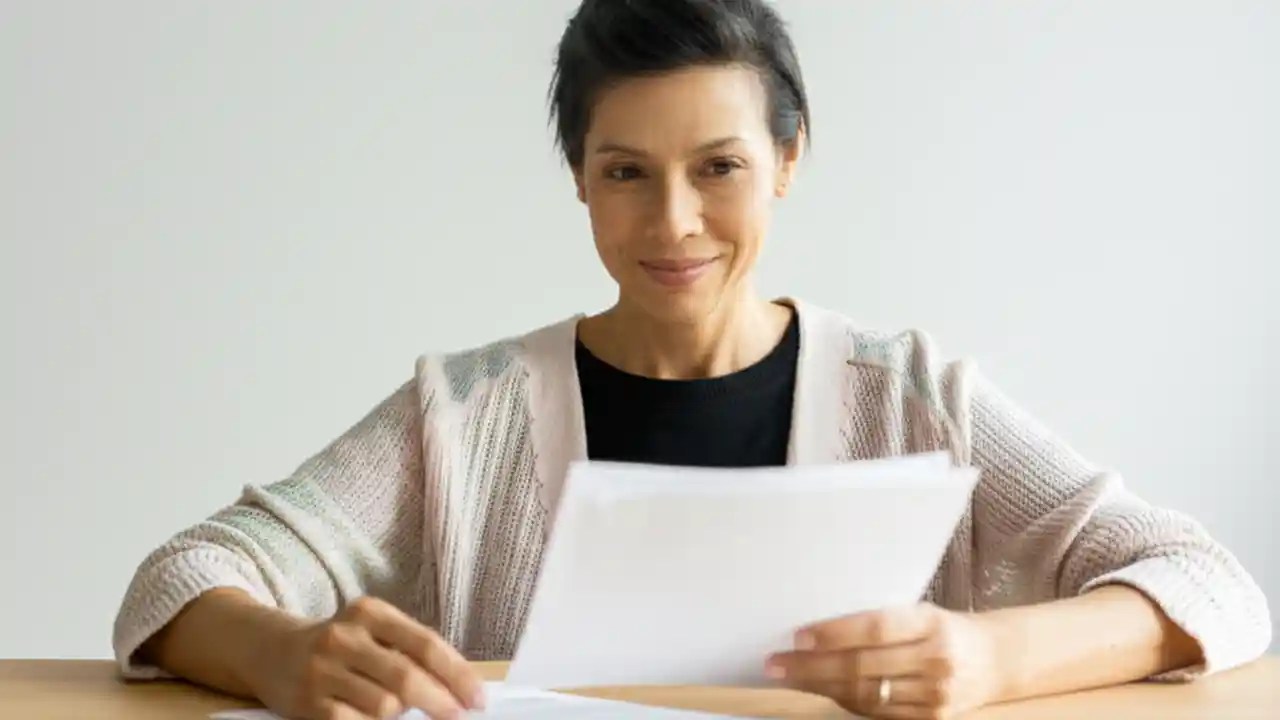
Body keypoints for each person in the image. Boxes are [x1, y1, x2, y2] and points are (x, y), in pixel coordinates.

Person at [112, 1, 1272, 719]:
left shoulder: (911, 397)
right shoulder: (463, 416)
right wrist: (282, 656)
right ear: (578, 177)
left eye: (716, 167)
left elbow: (1208, 583)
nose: (671, 223)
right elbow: (179, 580)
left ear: (786, 159)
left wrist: (986, 659)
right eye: (625, 172)